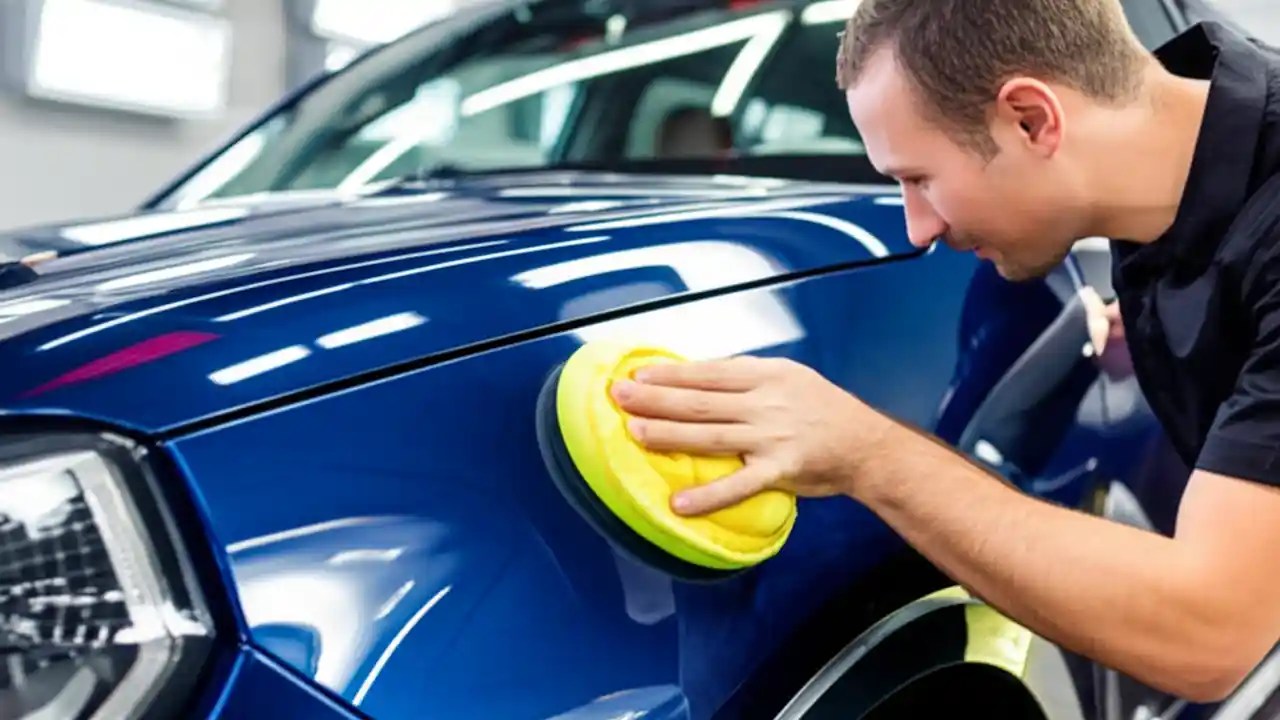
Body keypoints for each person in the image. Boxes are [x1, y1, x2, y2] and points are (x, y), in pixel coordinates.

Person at [607, 0, 1280, 704]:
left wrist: (866, 452)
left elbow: (1212, 635)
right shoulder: (1169, 162)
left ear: (1032, 119)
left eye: (919, 178)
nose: (916, 227)